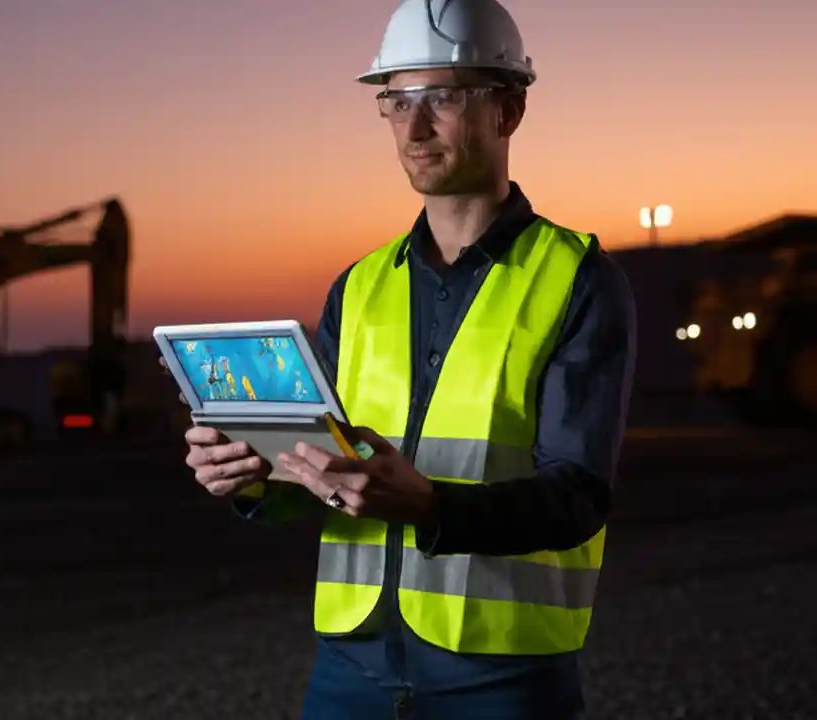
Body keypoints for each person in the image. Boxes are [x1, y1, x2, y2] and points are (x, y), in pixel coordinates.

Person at [181, 0, 637, 717]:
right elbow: (314, 473)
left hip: (502, 672)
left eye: (445, 98)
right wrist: (248, 479)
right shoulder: (359, 288)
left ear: (508, 111)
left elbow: (577, 497)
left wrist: (430, 505)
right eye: (397, 101)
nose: (416, 129)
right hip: (350, 665)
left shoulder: (576, 278)